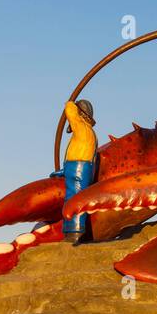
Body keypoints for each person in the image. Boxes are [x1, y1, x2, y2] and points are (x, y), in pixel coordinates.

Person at [56, 99, 98, 245]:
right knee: (74, 198)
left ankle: (74, 233)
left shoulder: (81, 127)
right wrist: (64, 170)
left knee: (74, 200)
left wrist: (69, 104)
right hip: (78, 167)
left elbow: (71, 113)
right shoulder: (87, 133)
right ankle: (72, 231)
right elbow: (79, 152)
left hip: (78, 167)